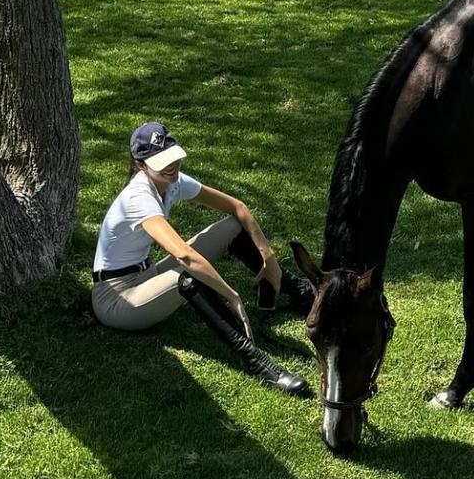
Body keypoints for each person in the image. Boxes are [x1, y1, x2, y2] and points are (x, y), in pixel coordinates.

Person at [91, 121, 312, 396]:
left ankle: (295, 291)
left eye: (171, 158)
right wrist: (231, 295)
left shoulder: (171, 181)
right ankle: (257, 361)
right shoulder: (138, 196)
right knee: (186, 277)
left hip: (146, 275)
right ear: (140, 165)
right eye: (160, 162)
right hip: (117, 299)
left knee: (233, 226)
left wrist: (269, 258)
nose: (170, 166)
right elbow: (185, 255)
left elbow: (237, 207)